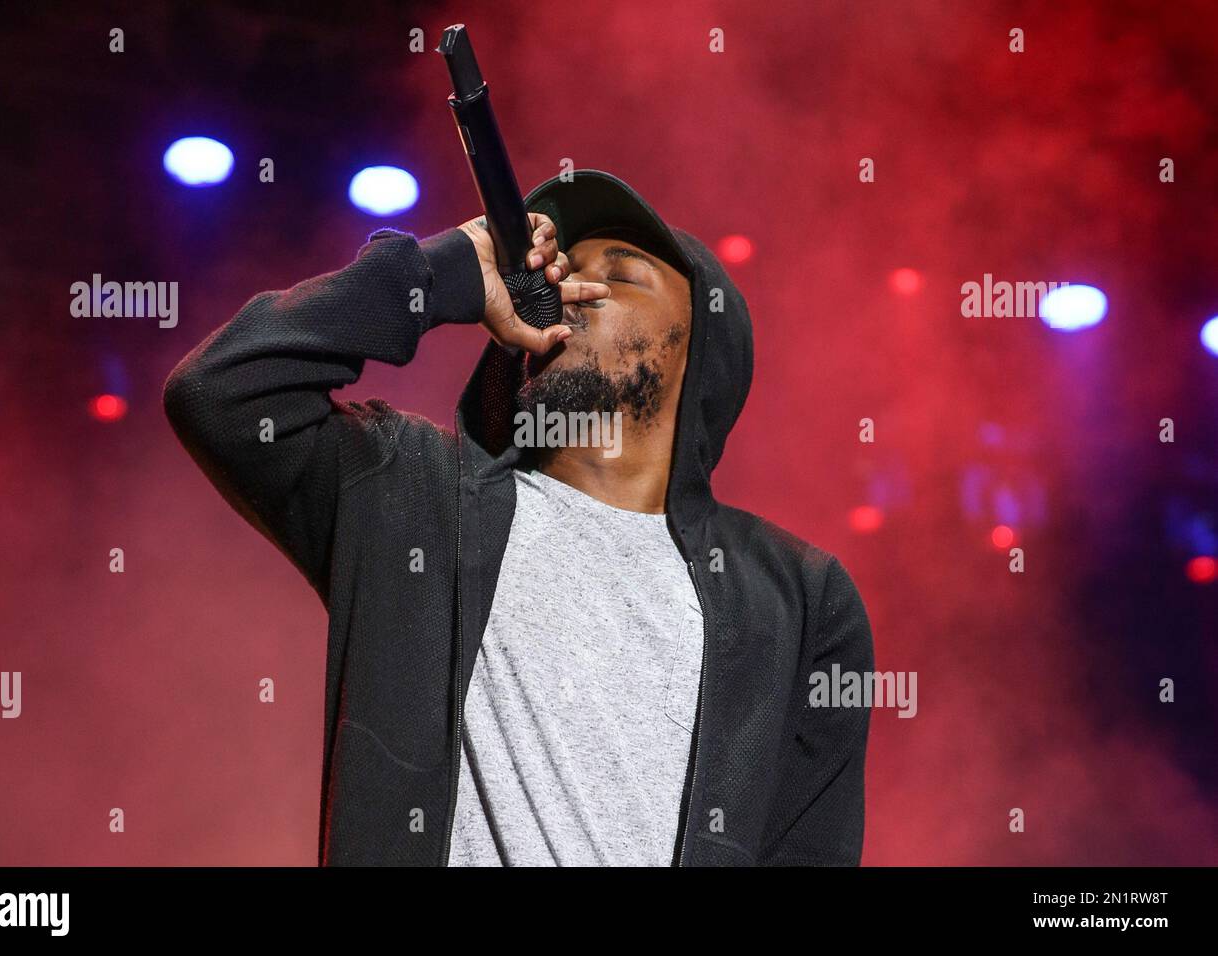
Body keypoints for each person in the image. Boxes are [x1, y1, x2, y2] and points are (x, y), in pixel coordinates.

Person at [163, 169, 874, 866]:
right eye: (560, 270)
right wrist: (438, 276)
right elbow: (220, 390)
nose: (567, 286)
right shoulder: (414, 492)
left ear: (702, 351)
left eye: (620, 274)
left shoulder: (797, 596)